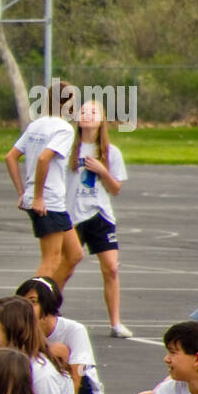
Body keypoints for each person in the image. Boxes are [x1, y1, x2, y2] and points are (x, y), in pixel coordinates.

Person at [4, 80, 83, 287]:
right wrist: (37, 196)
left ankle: (49, 302)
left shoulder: (36, 124)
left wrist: (23, 192)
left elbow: (10, 157)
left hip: (46, 201)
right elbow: (43, 159)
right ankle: (27, 308)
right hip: (48, 202)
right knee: (51, 260)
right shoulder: (64, 129)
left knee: (74, 254)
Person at [67, 100, 131, 337]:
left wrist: (102, 170)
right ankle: (51, 313)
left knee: (112, 268)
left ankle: (115, 323)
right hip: (72, 216)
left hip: (100, 215)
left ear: (101, 119)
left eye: (92, 111)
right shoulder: (68, 150)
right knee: (67, 265)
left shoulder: (110, 153)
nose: (86, 114)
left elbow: (115, 189)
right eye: (83, 111)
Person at [16, 276, 108, 394]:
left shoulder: (74, 330)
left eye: (32, 301)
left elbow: (78, 375)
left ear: (47, 302)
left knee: (60, 352)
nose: (26, 307)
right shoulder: (21, 331)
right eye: (22, 302)